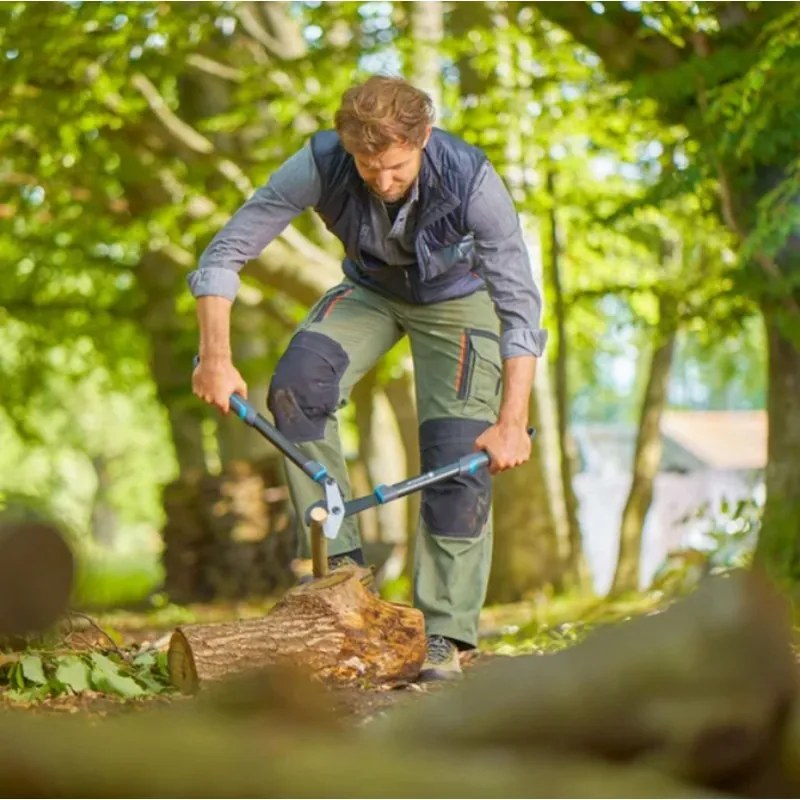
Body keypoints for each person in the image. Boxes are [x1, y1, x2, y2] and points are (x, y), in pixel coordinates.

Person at [189, 76, 547, 681]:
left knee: (459, 448)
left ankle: (446, 636)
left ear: (424, 138)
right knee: (298, 387)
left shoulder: (473, 181)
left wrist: (512, 423)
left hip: (459, 300)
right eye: (368, 167)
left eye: (398, 168)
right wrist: (216, 357)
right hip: (369, 291)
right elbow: (223, 256)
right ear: (346, 146)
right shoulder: (319, 163)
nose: (382, 182)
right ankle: (339, 571)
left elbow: (520, 308)